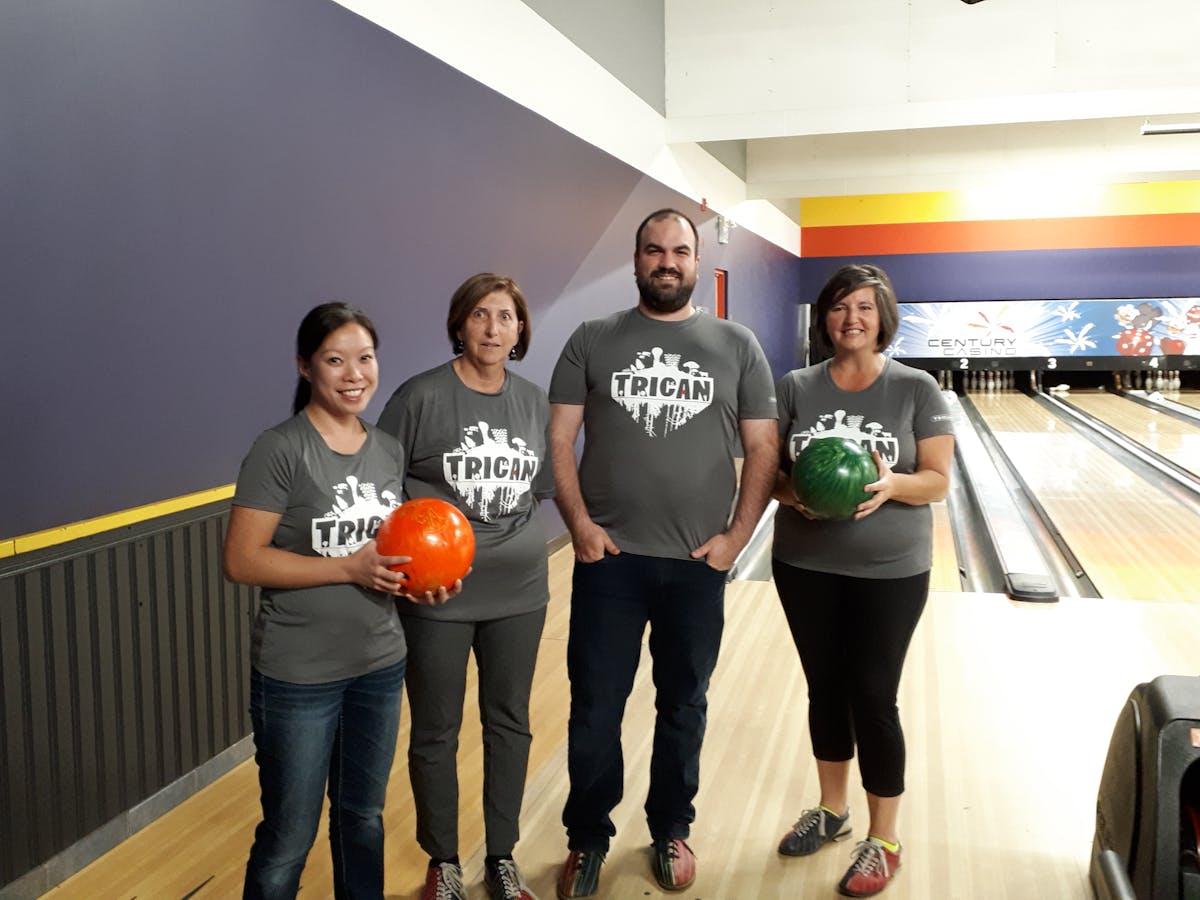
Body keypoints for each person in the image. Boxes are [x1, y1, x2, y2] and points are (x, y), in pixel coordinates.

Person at [548, 209, 779, 899]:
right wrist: (580, 526)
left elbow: (764, 447)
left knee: (684, 704)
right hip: (608, 561)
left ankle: (671, 827)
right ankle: (587, 838)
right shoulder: (591, 339)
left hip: (694, 566)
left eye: (680, 250)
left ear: (698, 262)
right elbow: (559, 440)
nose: (667, 261)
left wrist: (736, 540)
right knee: (595, 709)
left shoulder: (736, 344)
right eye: (655, 250)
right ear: (636, 259)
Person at [224, 302, 458, 900]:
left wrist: (426, 583)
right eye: (335, 360)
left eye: (365, 358)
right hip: (298, 675)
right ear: (306, 367)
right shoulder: (279, 449)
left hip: (378, 664)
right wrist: (347, 568)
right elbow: (242, 560)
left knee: (362, 820)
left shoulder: (386, 449)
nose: (354, 373)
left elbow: (391, 557)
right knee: (288, 839)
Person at [770, 264, 954, 898]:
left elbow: (937, 480)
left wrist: (891, 485)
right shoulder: (795, 385)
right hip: (804, 564)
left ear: (883, 319)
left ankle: (884, 838)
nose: (852, 318)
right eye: (841, 306)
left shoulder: (917, 388)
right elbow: (770, 471)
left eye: (865, 308)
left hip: (889, 570)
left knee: (873, 697)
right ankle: (831, 811)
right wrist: (792, 494)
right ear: (824, 317)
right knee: (825, 688)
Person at [377, 274, 554, 900]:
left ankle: (502, 858)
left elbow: (539, 490)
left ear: (520, 330)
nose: (492, 328)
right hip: (438, 596)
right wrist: (409, 568)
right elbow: (380, 483)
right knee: (435, 729)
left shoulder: (535, 402)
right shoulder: (420, 396)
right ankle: (443, 861)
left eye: (505, 317)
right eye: (480, 315)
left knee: (509, 722)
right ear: (459, 324)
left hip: (522, 592)